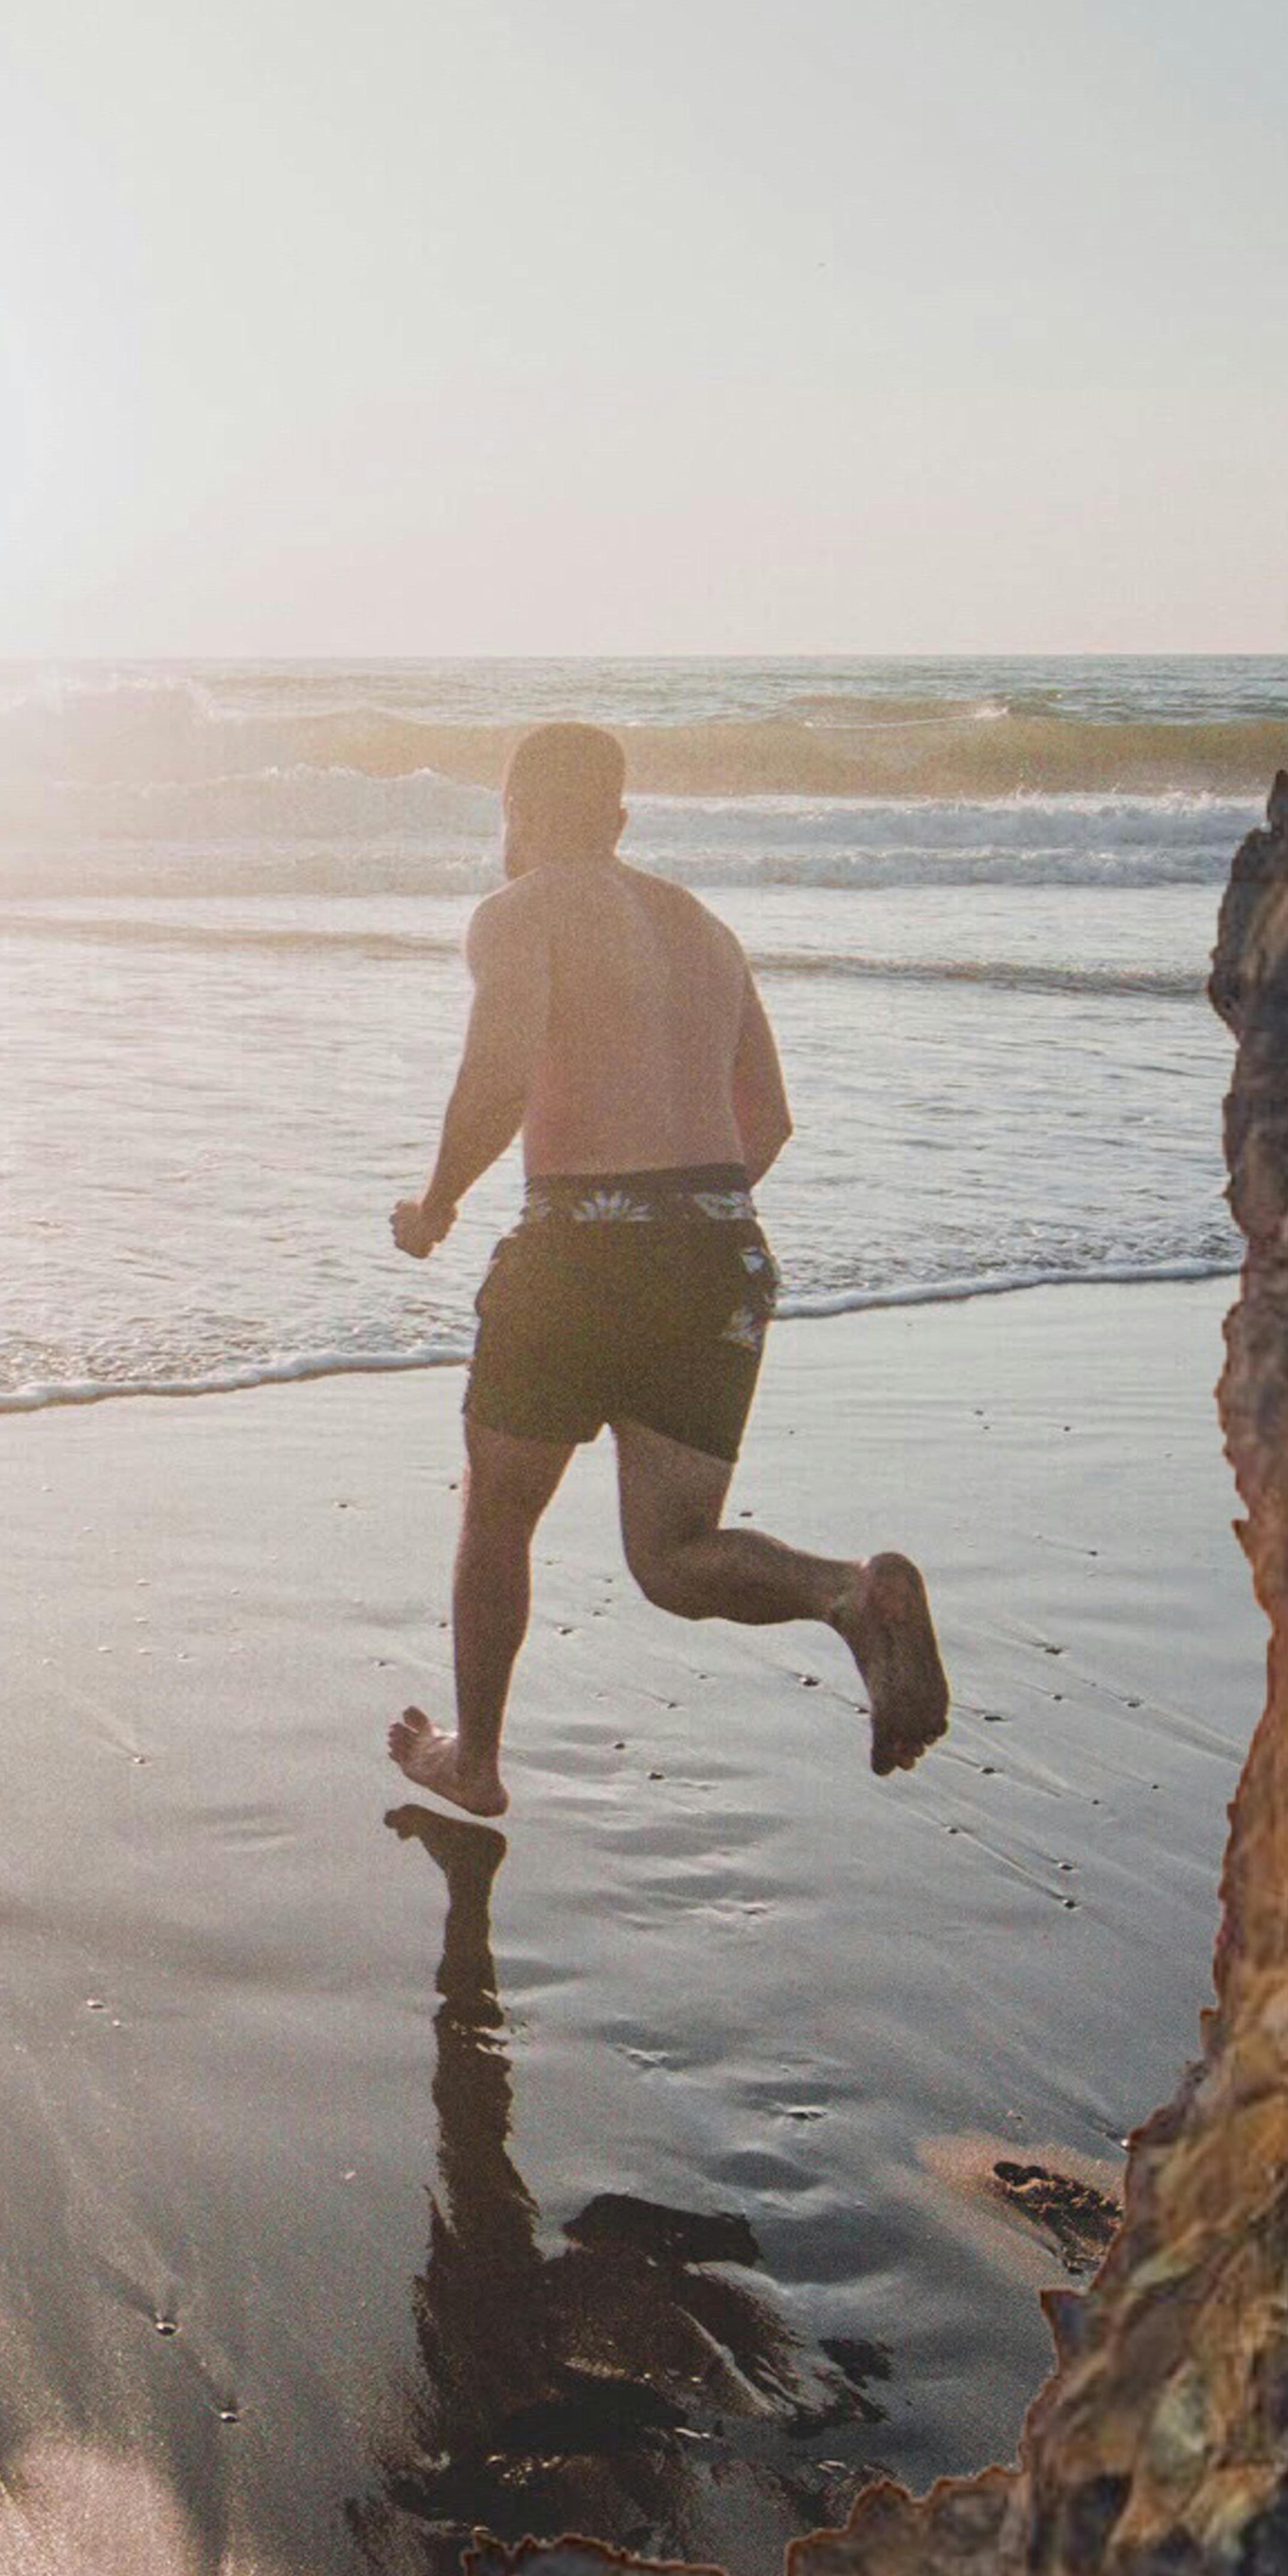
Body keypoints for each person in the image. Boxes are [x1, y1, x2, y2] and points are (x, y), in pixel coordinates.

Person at [385, 717, 945, 1818]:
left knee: (499, 1514)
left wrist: (438, 1202)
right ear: (622, 815)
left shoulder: (518, 913)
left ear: (516, 809)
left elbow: (499, 1074)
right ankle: (848, 1596)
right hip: (721, 1252)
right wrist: (682, 1229)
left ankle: (479, 1760)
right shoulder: (705, 928)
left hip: (580, 1254)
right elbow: (768, 1122)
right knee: (674, 1556)